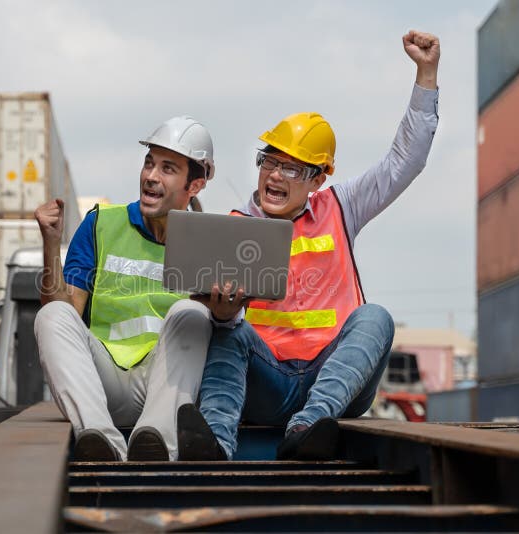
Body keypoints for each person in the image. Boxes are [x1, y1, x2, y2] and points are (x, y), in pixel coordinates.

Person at [177, 30, 441, 461]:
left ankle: (309, 427)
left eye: (291, 169)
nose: (275, 176)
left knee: (375, 318)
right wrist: (223, 314)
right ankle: (215, 445)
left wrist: (425, 74)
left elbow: (404, 162)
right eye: (270, 162)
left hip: (335, 385)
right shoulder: (233, 228)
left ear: (319, 179)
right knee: (228, 334)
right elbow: (209, 309)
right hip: (268, 381)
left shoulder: (342, 206)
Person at [34, 116, 216, 461]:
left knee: (192, 313)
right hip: (104, 384)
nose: (150, 176)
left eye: (167, 168)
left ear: (194, 185)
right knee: (51, 314)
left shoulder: (207, 240)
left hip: (165, 390)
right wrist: (51, 245)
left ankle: (158, 444)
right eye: (149, 163)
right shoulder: (102, 224)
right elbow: (67, 313)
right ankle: (101, 441)